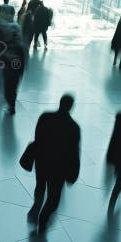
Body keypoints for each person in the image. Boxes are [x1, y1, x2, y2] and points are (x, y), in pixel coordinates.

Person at [27, 94, 80, 233]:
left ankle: (36, 206)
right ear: (71, 107)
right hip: (59, 168)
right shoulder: (74, 128)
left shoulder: (45, 117)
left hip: (42, 160)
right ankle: (43, 219)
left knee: (40, 186)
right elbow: (74, 153)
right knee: (54, 197)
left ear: (60, 103)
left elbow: (37, 136)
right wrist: (73, 173)